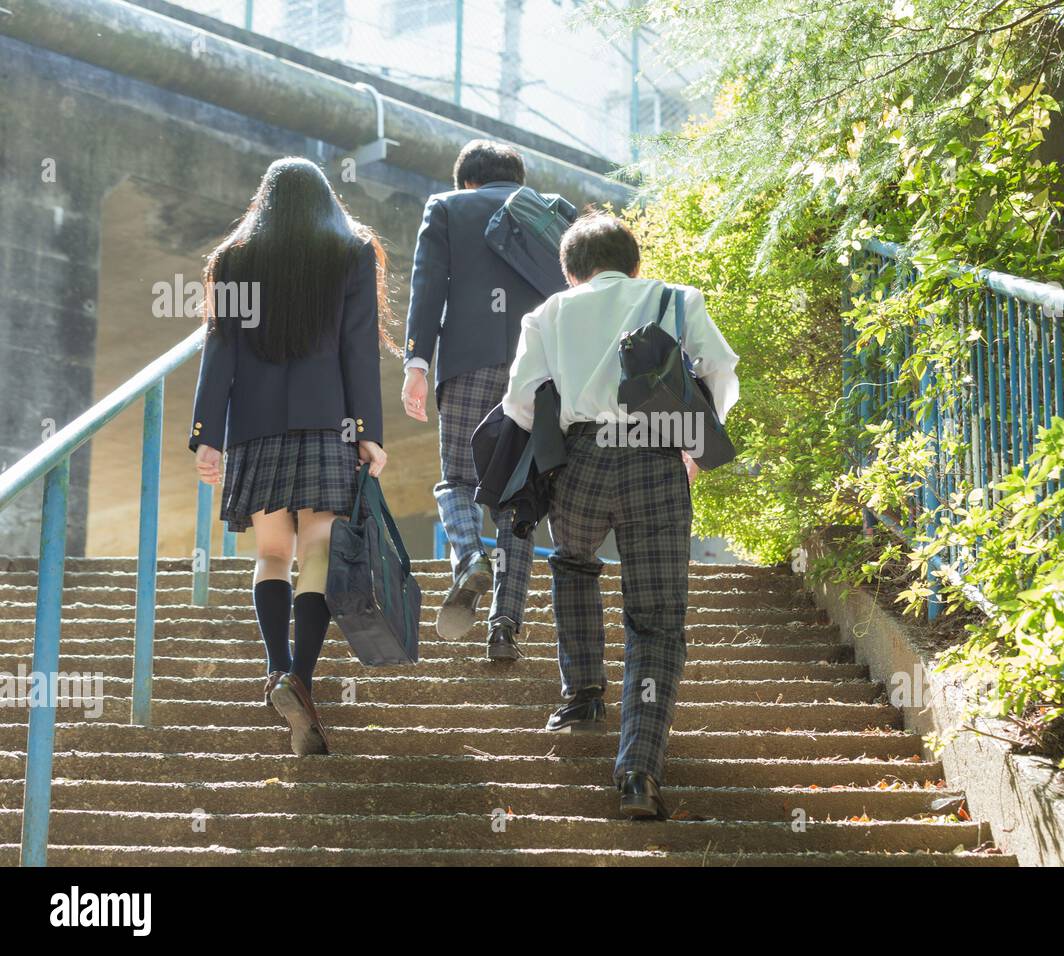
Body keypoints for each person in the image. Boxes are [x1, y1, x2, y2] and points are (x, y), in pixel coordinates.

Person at [501, 212, 740, 819]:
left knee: (574, 561)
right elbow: (721, 372)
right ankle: (638, 770)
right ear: (636, 265)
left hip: (580, 465)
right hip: (656, 460)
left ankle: (582, 693)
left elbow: (522, 402)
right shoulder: (675, 299)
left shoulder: (548, 312)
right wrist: (693, 445)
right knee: (657, 621)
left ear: (570, 271)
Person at [190, 157, 396, 757]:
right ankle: (300, 680)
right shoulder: (351, 252)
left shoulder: (234, 258)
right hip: (326, 424)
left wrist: (207, 434)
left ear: (265, 202)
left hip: (254, 427)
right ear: (326, 200)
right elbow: (358, 346)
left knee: (272, 553)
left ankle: (276, 666)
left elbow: (219, 349)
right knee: (317, 555)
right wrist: (366, 430)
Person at [401, 139, 567, 660]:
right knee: (520, 496)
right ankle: (504, 629)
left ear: (466, 179)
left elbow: (427, 288)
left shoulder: (447, 207)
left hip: (469, 365)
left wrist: (417, 365)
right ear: (517, 177)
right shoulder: (552, 213)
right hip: (540, 371)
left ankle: (469, 557)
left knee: (458, 478)